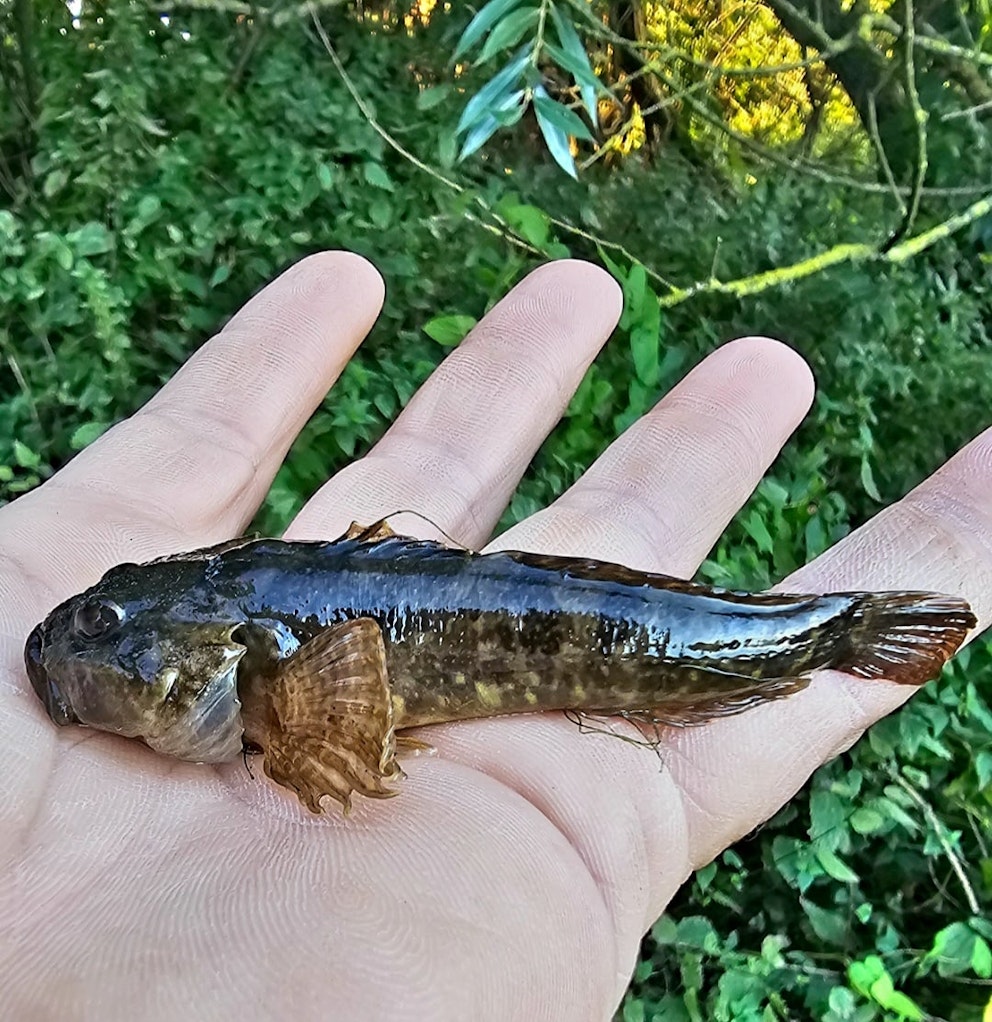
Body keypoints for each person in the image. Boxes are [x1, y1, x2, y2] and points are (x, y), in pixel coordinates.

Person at [1, 254, 986, 1019]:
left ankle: (826, 633)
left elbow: (338, 707)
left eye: (101, 624)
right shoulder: (223, 617)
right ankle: (815, 633)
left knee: (747, 638)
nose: (74, 641)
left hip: (624, 632)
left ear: (222, 640)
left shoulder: (257, 637)